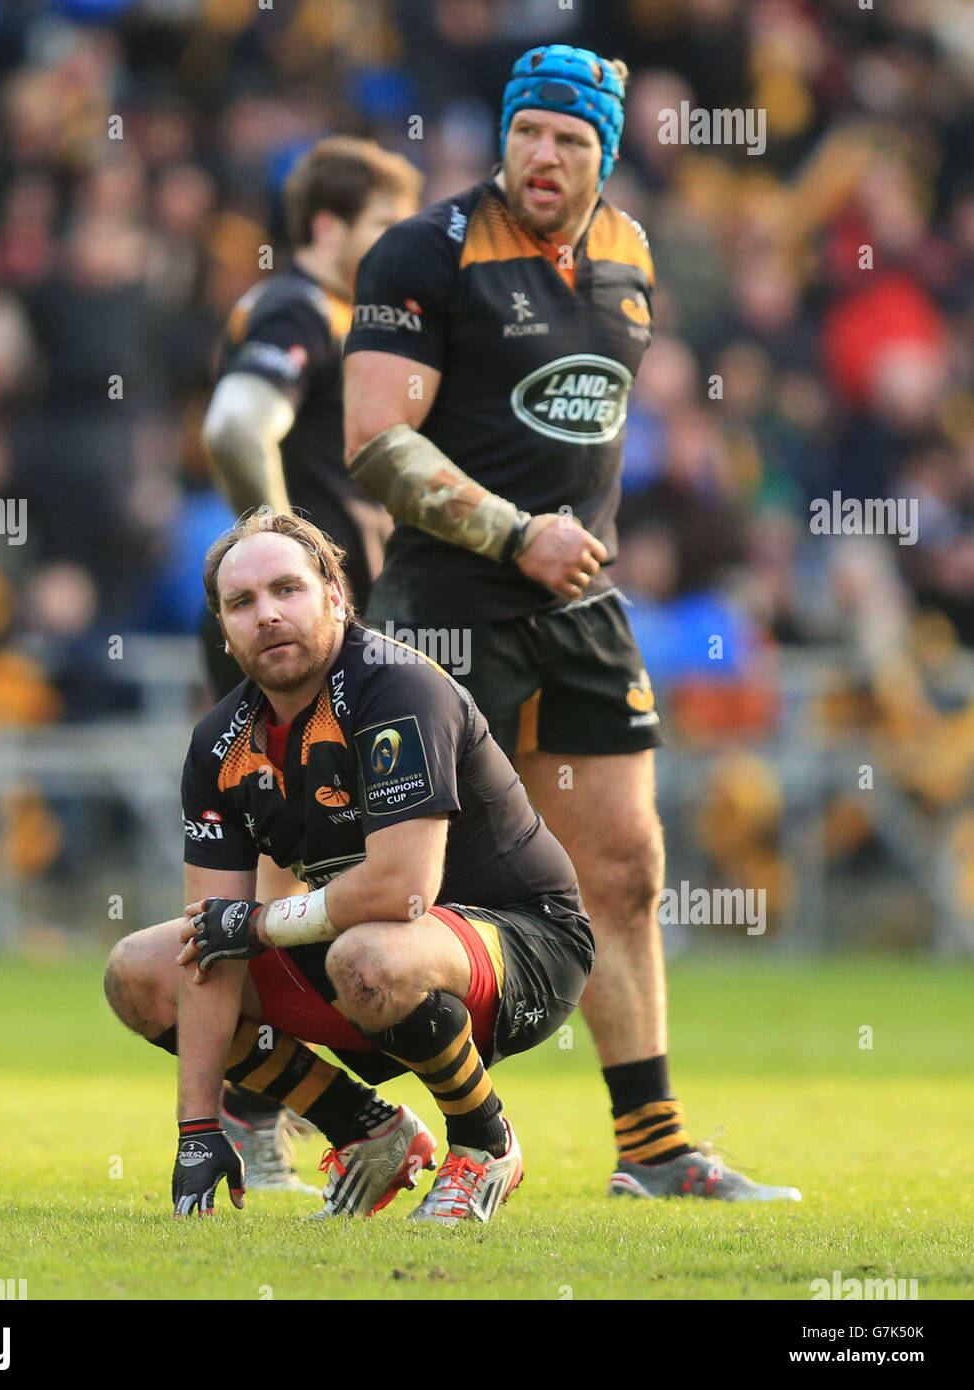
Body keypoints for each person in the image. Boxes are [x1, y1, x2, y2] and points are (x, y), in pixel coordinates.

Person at [342, 44, 800, 1201]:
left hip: (577, 600)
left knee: (628, 864)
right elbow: (374, 441)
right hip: (449, 604)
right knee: (401, 884)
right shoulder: (421, 253)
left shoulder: (633, 255)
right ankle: (317, 1112)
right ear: (502, 135)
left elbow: (578, 427)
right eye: (527, 132)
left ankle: (650, 1145)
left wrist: (577, 535)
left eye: (570, 140)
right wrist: (511, 530)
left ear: (606, 154)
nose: (542, 157)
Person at [102, 511, 595, 1223]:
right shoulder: (218, 744)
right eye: (242, 603)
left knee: (369, 953)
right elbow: (207, 941)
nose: (267, 615)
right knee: (140, 972)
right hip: (365, 957)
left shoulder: (396, 687)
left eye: (287, 590)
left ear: (334, 595)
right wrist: (197, 1128)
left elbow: (402, 889)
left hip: (525, 947)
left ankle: (485, 1143)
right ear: (222, 626)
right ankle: (368, 1131)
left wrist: (261, 924)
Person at [197, 137, 422, 1189]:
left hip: (301, 631)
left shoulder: (345, 326)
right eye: (382, 230)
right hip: (290, 636)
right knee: (274, 874)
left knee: (292, 875)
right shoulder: (299, 309)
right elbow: (237, 421)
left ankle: (264, 1106)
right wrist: (280, 551)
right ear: (330, 228)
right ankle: (249, 1114)